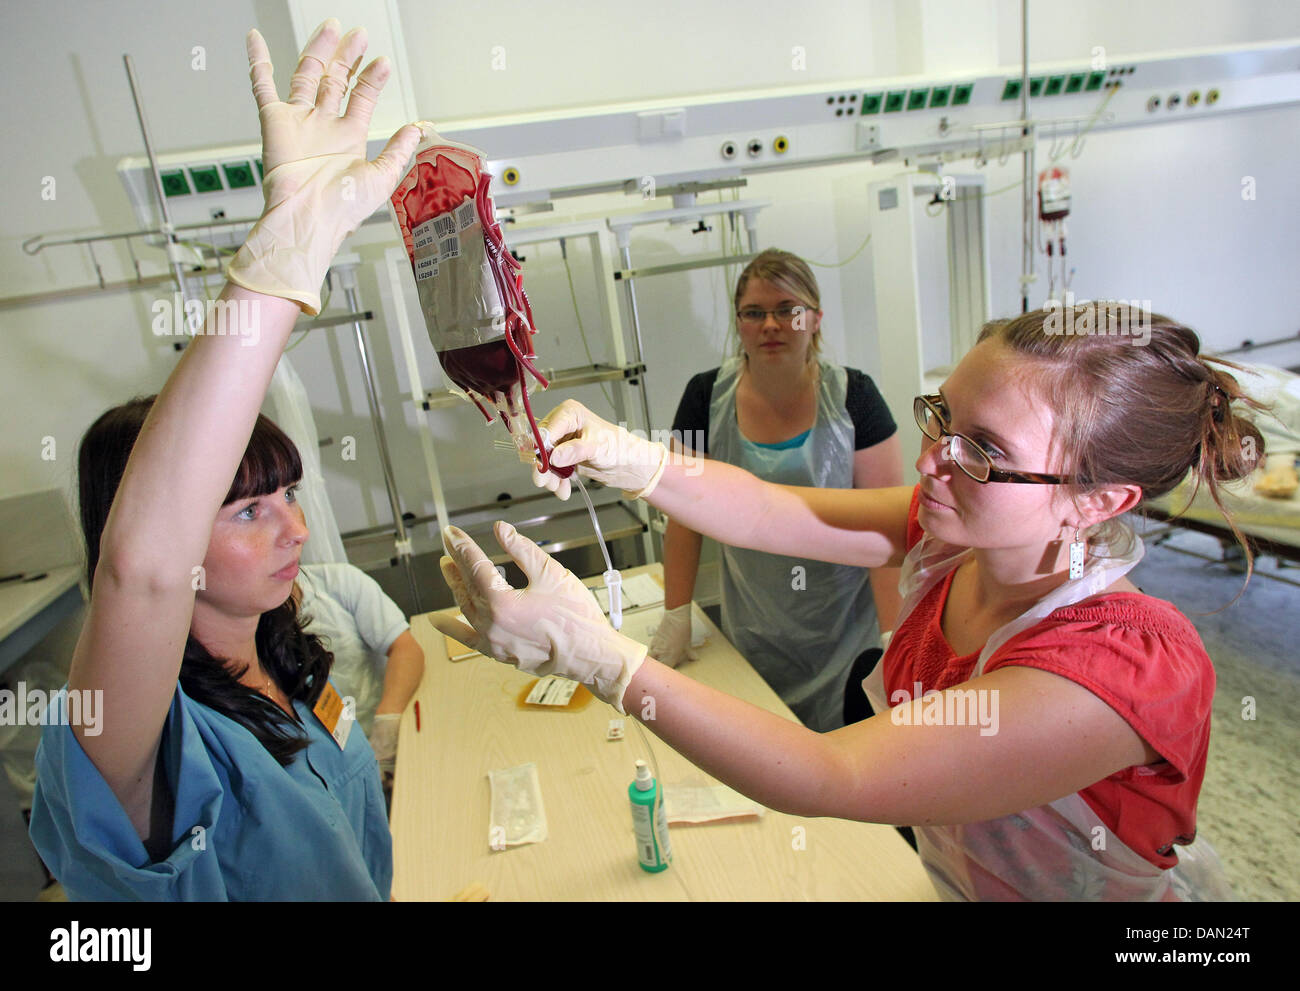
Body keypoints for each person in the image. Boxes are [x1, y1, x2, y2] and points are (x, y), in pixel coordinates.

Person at [439, 303, 1263, 900]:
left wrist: (599, 658)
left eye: (983, 450)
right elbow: (774, 510)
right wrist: (636, 458)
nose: (934, 459)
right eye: (944, 416)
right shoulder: (958, 533)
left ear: (1098, 501)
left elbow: (832, 772)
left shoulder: (1120, 667)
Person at [28, 19, 426, 900]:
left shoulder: (287, 660)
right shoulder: (143, 738)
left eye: (286, 493)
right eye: (247, 509)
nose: (296, 524)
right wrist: (284, 257)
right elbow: (142, 569)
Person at [654, 249, 901, 731]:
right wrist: (676, 613)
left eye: (789, 310)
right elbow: (682, 516)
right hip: (753, 626)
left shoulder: (856, 397)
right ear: (739, 322)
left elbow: (888, 528)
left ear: (814, 319)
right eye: (754, 312)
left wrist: (895, 636)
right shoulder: (704, 399)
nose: (771, 324)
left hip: (847, 634)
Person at [294, 562, 425, 788]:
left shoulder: (339, 582)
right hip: (330, 774)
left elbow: (406, 649)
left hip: (388, 736)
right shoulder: (247, 635)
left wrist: (387, 724)